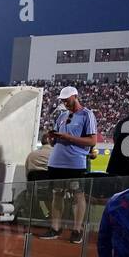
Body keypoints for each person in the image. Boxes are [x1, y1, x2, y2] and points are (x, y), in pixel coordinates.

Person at [38, 85, 96, 244]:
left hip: (75, 162)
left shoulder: (87, 115)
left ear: (75, 96)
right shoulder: (62, 116)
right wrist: (53, 138)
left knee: (78, 195)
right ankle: (55, 228)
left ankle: (77, 230)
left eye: (67, 100)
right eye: (63, 101)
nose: (65, 103)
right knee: (57, 194)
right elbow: (57, 139)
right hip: (56, 161)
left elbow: (92, 141)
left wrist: (68, 137)